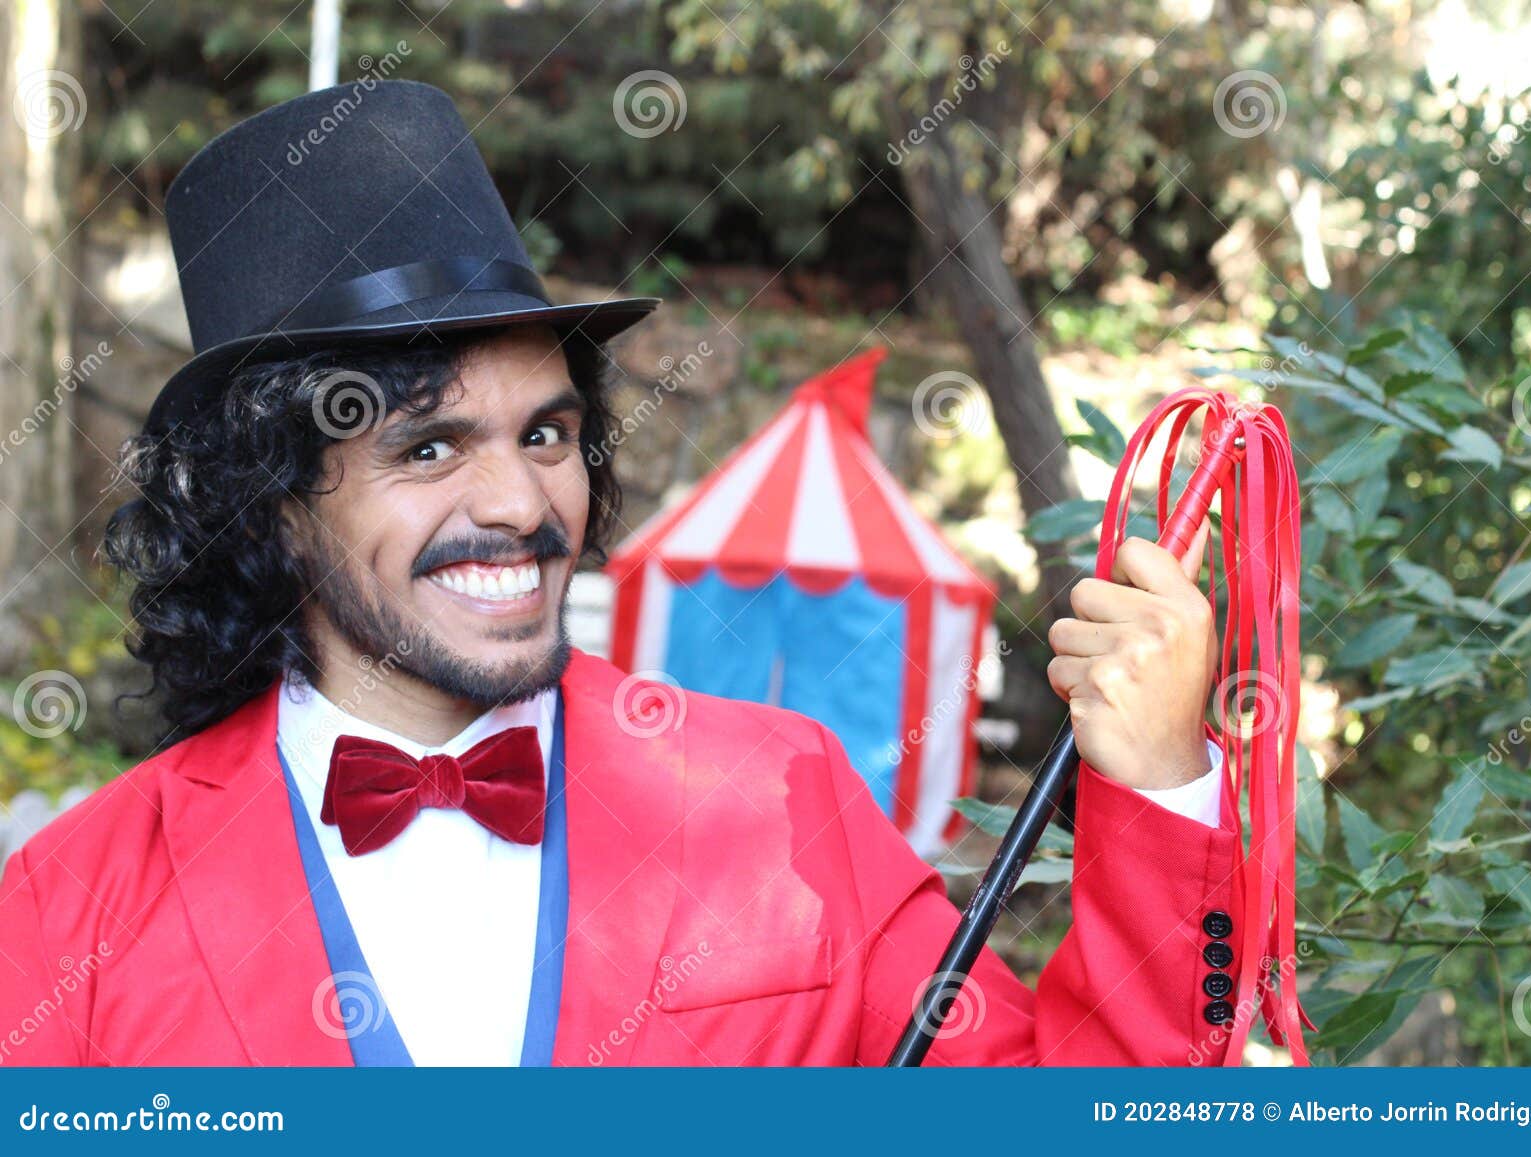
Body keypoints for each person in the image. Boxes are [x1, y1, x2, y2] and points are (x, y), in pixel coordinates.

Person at [0, 80, 1241, 1067]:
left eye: (544, 434)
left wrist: (1159, 786)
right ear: (268, 506)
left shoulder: (782, 796)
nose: (519, 502)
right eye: (426, 447)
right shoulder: (68, 907)